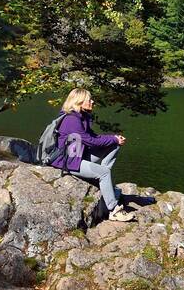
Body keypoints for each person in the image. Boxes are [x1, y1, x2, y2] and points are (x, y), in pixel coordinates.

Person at [50, 88, 136, 222]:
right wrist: (113, 138)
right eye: (89, 100)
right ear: (79, 101)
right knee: (104, 172)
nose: (92, 101)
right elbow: (90, 141)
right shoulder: (71, 119)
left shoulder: (81, 117)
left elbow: (93, 137)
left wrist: (114, 138)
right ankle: (113, 210)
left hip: (78, 155)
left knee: (113, 146)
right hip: (67, 161)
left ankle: (103, 183)